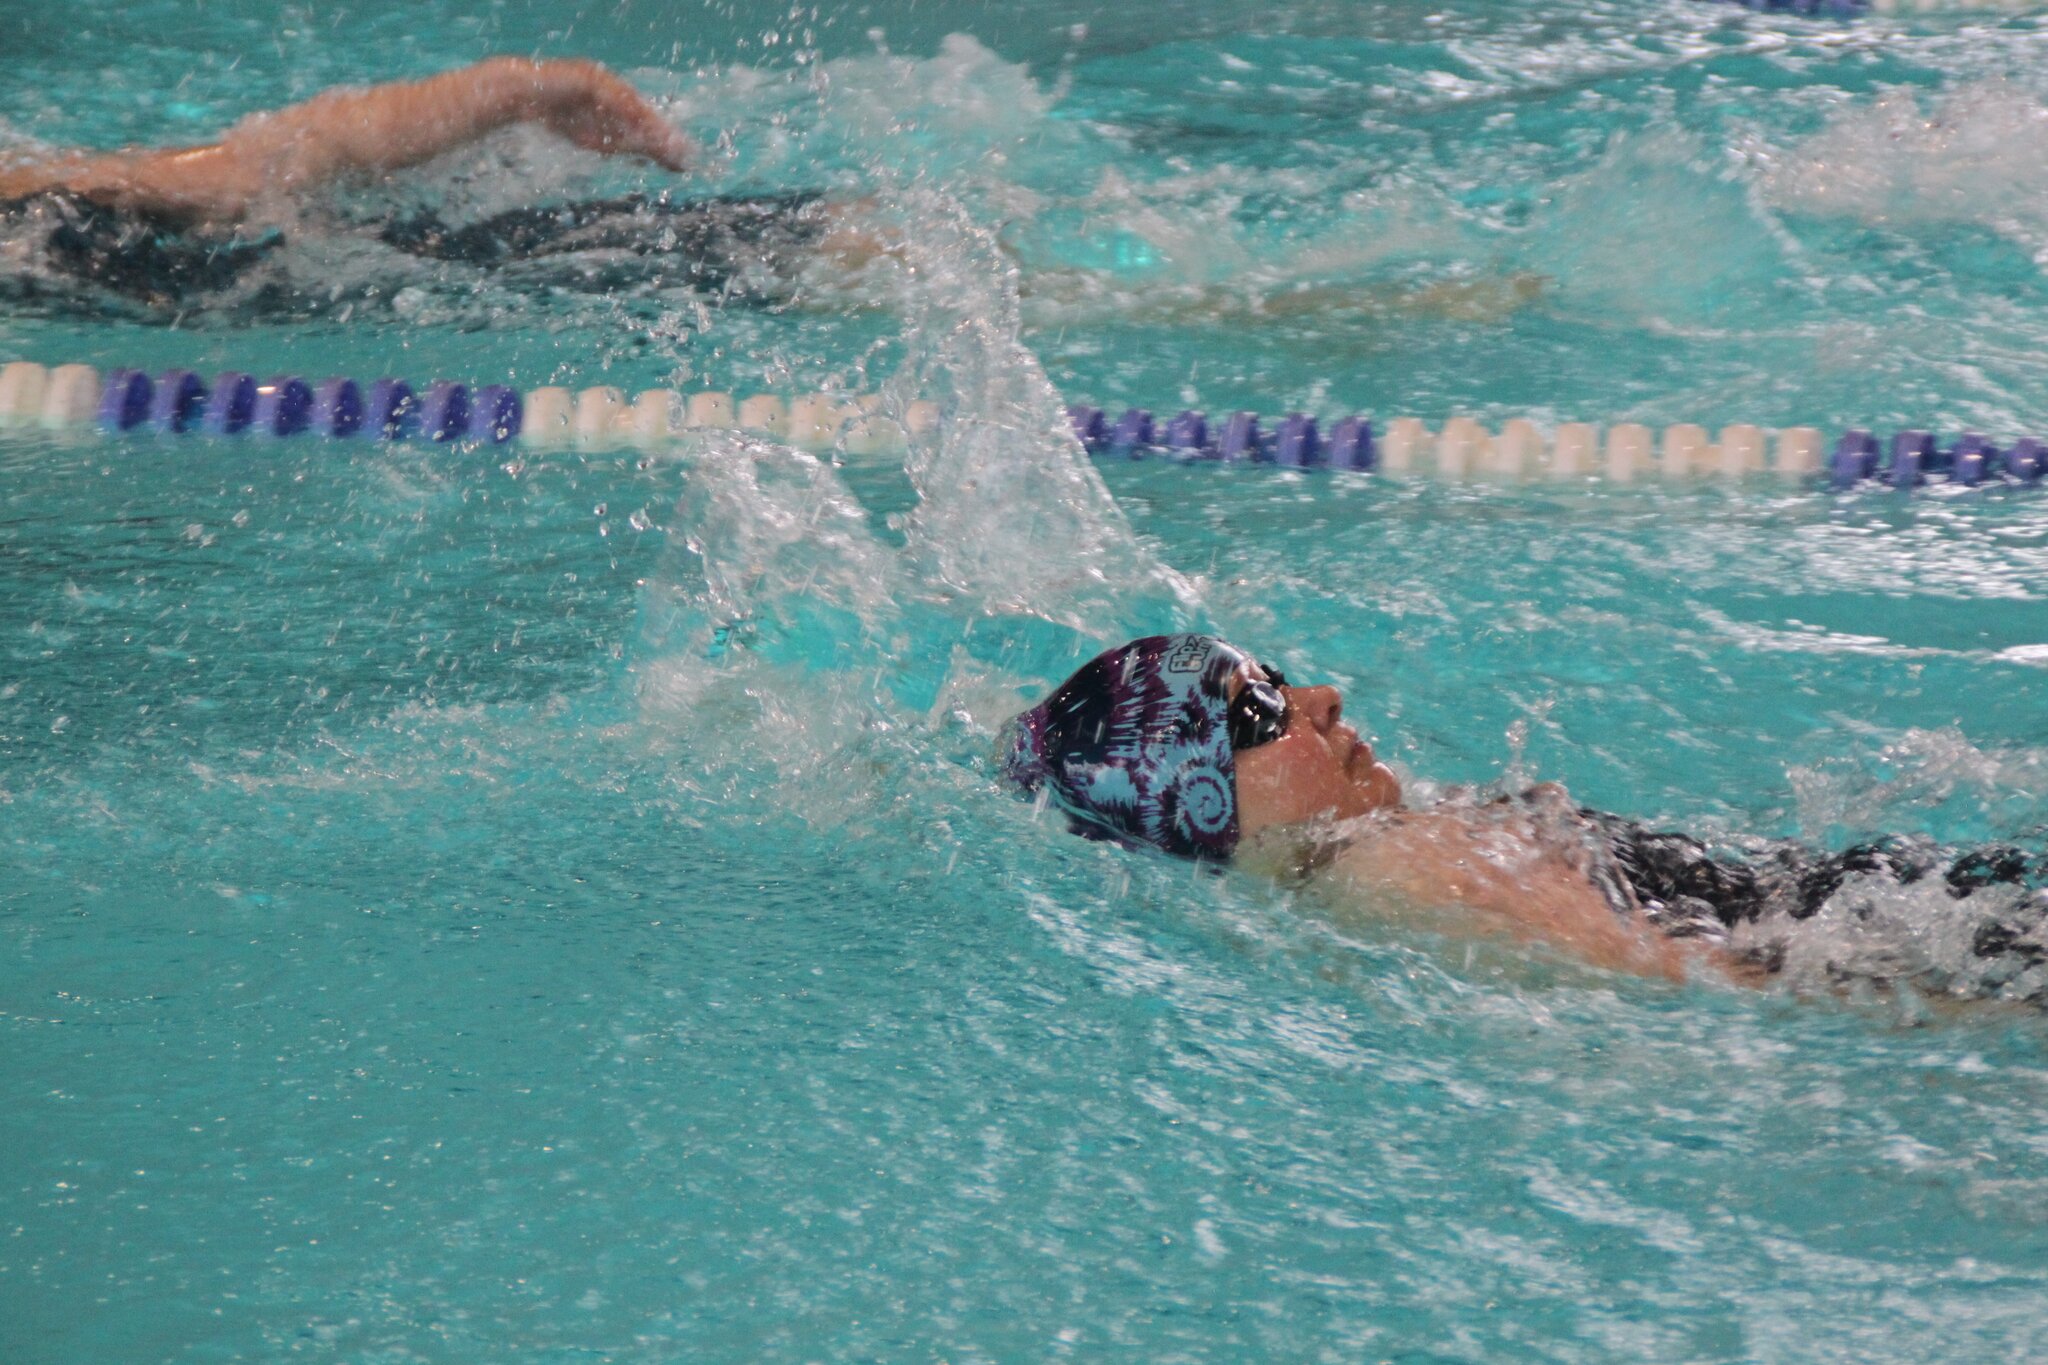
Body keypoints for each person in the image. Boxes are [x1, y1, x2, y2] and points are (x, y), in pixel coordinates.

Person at [999, 634, 2047, 991]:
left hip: (1866, 910)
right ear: (1201, 809)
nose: (1320, 699)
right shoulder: (1391, 876)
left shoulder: (1370, 853)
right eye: (1262, 711)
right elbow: (1713, 979)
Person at [0, 57, 876, 315]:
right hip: (368, 281)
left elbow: (253, 176)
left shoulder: (27, 201)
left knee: (868, 257)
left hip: (403, 271)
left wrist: (518, 92)